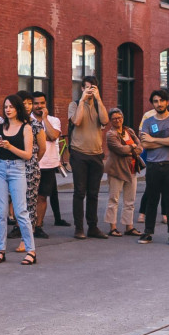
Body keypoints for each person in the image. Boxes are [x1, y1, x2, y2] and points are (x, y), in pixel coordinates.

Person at [0, 92, 39, 265]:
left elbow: (28, 155)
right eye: (6, 107)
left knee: (21, 210)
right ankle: (1, 250)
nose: (8, 110)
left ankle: (31, 251)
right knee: (0, 212)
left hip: (17, 169)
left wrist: (9, 146)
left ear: (18, 109)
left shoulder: (26, 128)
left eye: (11, 107)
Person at [136, 89, 169, 245]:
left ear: (167, 102)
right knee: (152, 200)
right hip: (153, 166)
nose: (159, 104)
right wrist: (166, 140)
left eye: (161, 101)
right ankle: (148, 232)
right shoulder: (148, 122)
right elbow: (144, 144)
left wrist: (153, 139)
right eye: (155, 101)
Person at [68, 78, 109, 238]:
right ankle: (79, 228)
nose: (90, 90)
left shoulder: (99, 104)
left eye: (93, 88)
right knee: (79, 192)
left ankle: (93, 226)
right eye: (87, 88)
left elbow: (105, 121)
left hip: (96, 154)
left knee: (94, 193)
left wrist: (98, 99)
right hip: (79, 153)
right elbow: (77, 121)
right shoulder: (74, 104)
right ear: (81, 88)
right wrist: (83, 99)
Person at [29, 92, 65, 233]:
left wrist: (44, 119)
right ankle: (22, 227)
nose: (39, 106)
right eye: (36, 103)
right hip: (31, 163)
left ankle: (38, 226)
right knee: (27, 197)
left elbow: (53, 136)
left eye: (42, 103)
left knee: (42, 196)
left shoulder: (53, 120)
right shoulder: (26, 120)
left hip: (48, 165)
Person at [102, 109, 141, 236]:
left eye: (119, 117)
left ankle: (129, 226)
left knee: (130, 200)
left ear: (123, 118)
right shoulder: (110, 134)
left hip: (132, 169)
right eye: (114, 118)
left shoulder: (129, 131)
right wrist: (132, 147)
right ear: (110, 121)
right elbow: (120, 149)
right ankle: (112, 227)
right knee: (114, 199)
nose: (117, 120)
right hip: (117, 170)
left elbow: (140, 146)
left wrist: (133, 148)